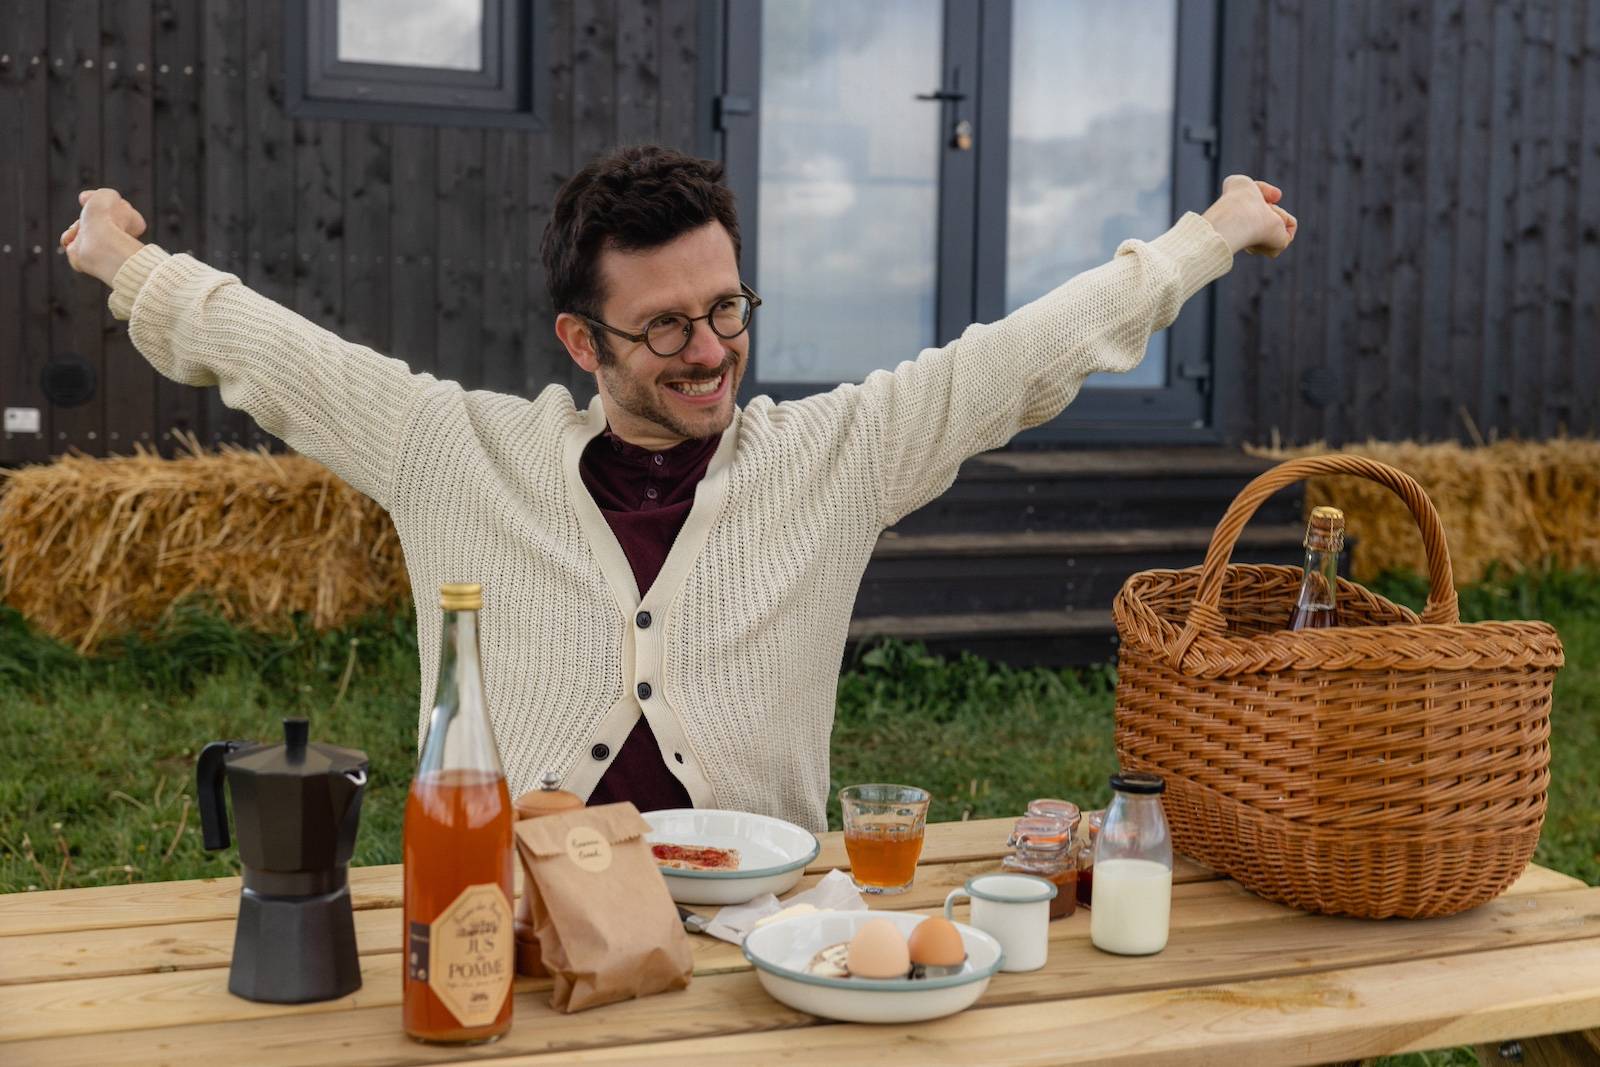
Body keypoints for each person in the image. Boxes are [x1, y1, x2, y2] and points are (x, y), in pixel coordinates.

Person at [62, 144, 1295, 831]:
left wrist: (1212, 232)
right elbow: (274, 353)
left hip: (771, 937)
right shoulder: (453, 449)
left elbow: (1027, 355)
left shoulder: (835, 456)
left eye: (725, 308)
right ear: (581, 342)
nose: (709, 350)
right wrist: (124, 259)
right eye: (663, 328)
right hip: (520, 920)